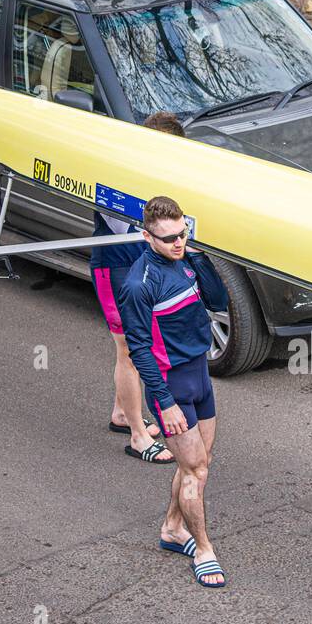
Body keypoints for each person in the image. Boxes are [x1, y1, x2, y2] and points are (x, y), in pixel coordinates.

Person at [121, 196, 230, 588]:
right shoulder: (139, 284)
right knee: (195, 469)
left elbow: (218, 301)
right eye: (167, 239)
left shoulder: (185, 258)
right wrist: (164, 403)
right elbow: (138, 350)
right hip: (171, 387)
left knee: (200, 463)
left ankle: (171, 528)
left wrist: (199, 258)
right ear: (147, 236)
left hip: (199, 374)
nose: (177, 243)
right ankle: (204, 550)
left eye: (182, 234)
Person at [92, 111, 187, 464]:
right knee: (131, 352)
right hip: (114, 267)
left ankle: (121, 413)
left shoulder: (155, 172)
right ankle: (136, 437)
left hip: (134, 266)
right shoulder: (120, 172)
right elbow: (123, 227)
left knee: (133, 350)